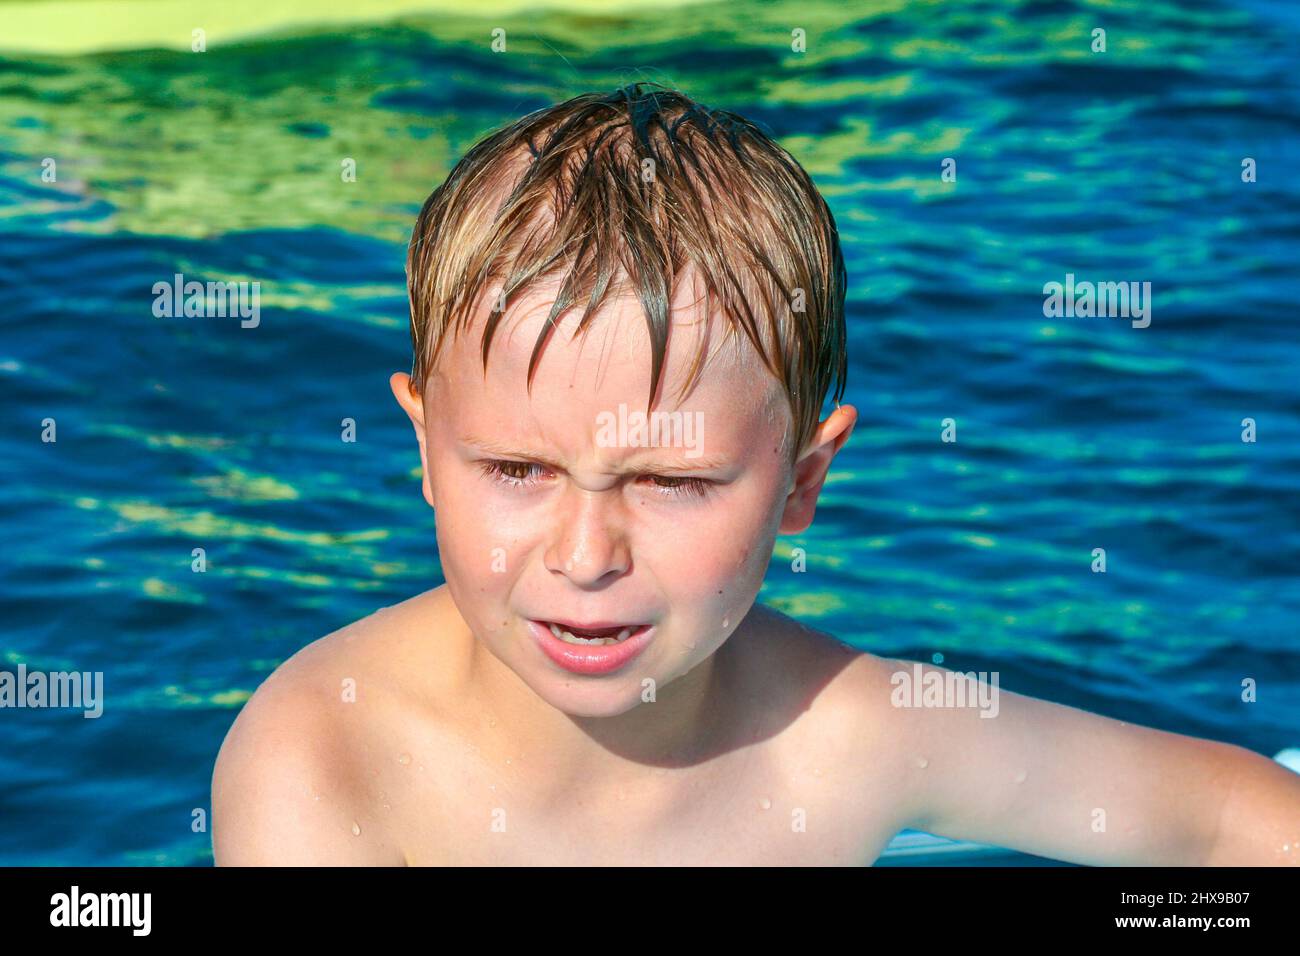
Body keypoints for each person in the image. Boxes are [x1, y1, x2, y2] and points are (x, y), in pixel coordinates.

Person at [211, 83, 1300, 866]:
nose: (584, 556)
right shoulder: (327, 750)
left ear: (802, 481)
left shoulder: (851, 733)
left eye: (672, 482)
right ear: (423, 452)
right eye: (513, 466)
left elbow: (1228, 822)